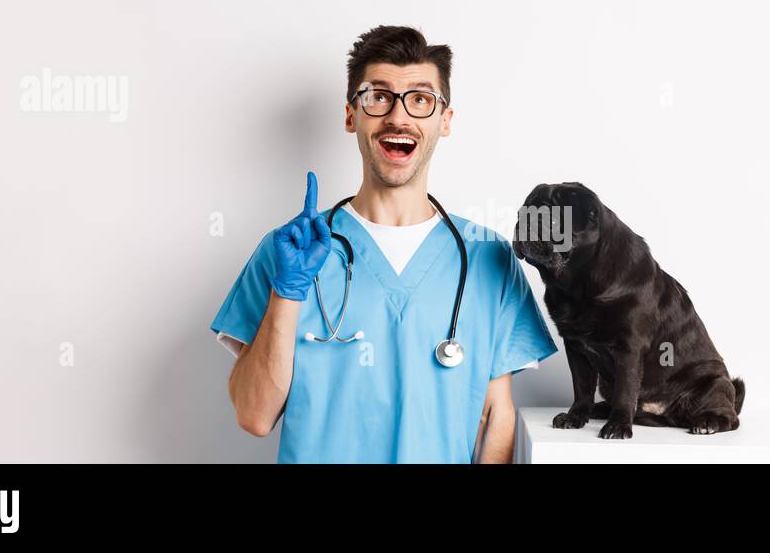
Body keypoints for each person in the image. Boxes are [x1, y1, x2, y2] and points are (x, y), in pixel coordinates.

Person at [209, 25, 557, 463]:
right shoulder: (290, 251)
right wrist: (287, 291)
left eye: (420, 99)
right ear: (352, 114)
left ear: (444, 121)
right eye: (378, 96)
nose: (398, 116)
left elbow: (494, 416)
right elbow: (254, 416)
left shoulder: (488, 257)